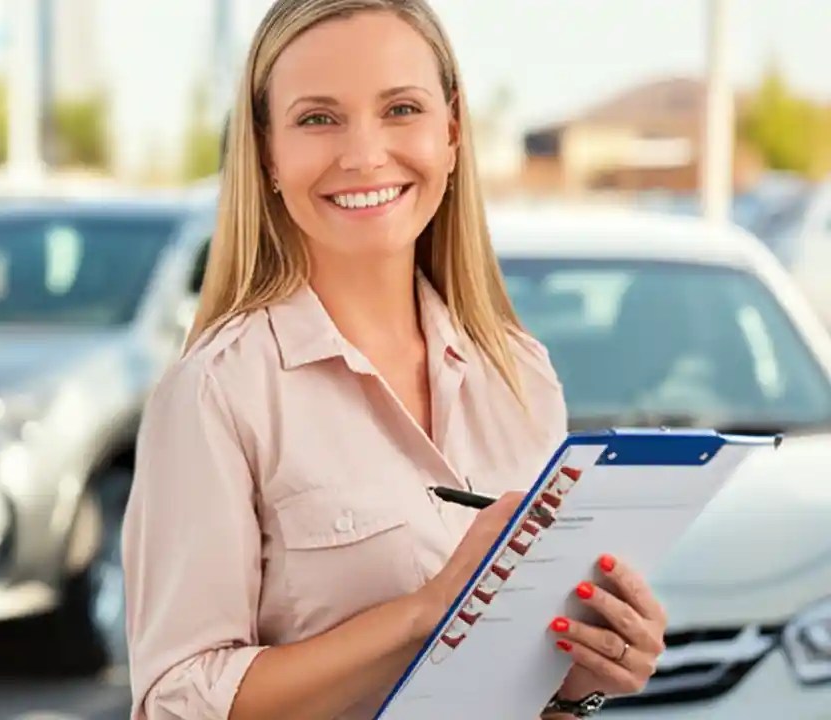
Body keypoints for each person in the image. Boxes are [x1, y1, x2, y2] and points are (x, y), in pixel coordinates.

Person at [121, 1, 667, 719]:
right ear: (267, 153)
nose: (364, 154)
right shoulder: (216, 394)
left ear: (452, 128)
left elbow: (520, 698)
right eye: (319, 118)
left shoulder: (521, 377)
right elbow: (174, 703)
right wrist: (427, 612)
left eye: (401, 108)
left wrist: (578, 681)